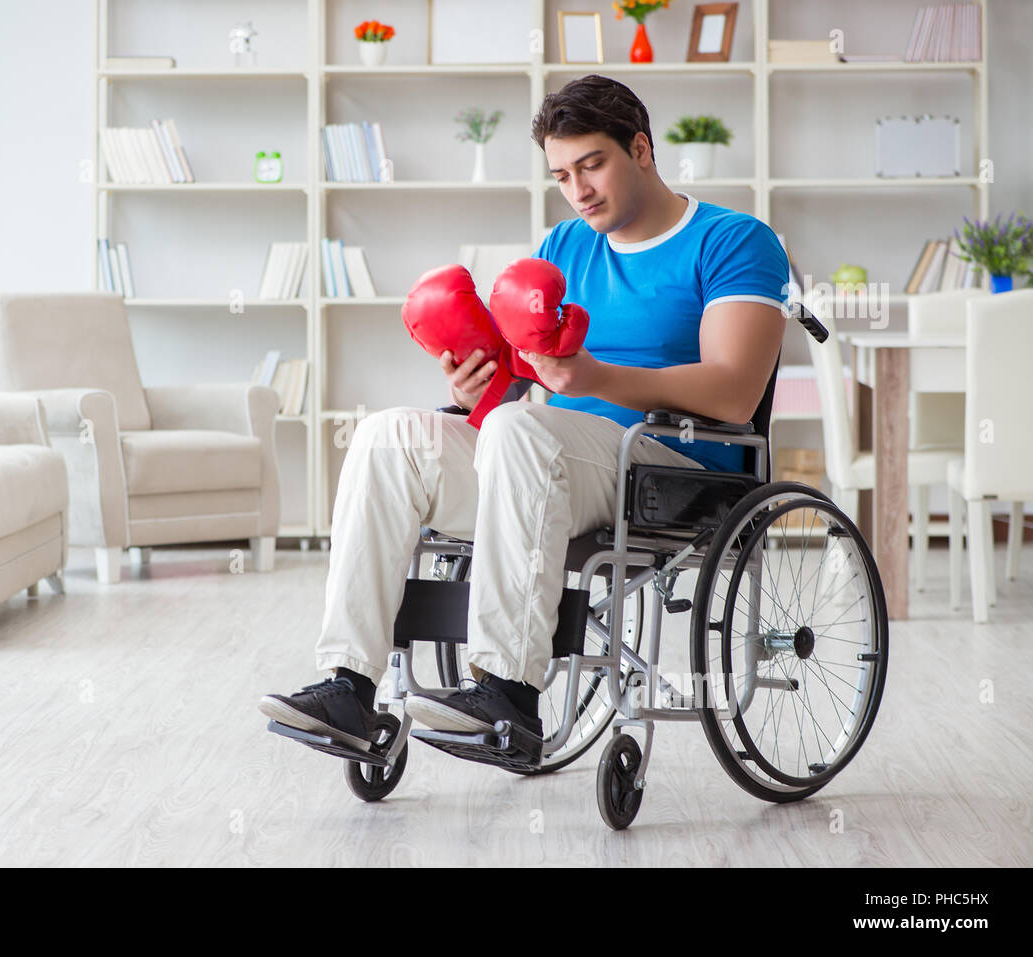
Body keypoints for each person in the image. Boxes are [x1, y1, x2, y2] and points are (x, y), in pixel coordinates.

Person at [260, 74, 788, 757]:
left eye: (593, 164)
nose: (579, 189)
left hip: (671, 465)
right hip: (543, 459)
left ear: (642, 149)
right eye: (562, 174)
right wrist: (469, 384)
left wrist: (594, 377)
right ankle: (348, 687)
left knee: (520, 429)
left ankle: (508, 692)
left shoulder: (734, 240)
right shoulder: (565, 245)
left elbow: (733, 392)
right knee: (388, 434)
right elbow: (519, 381)